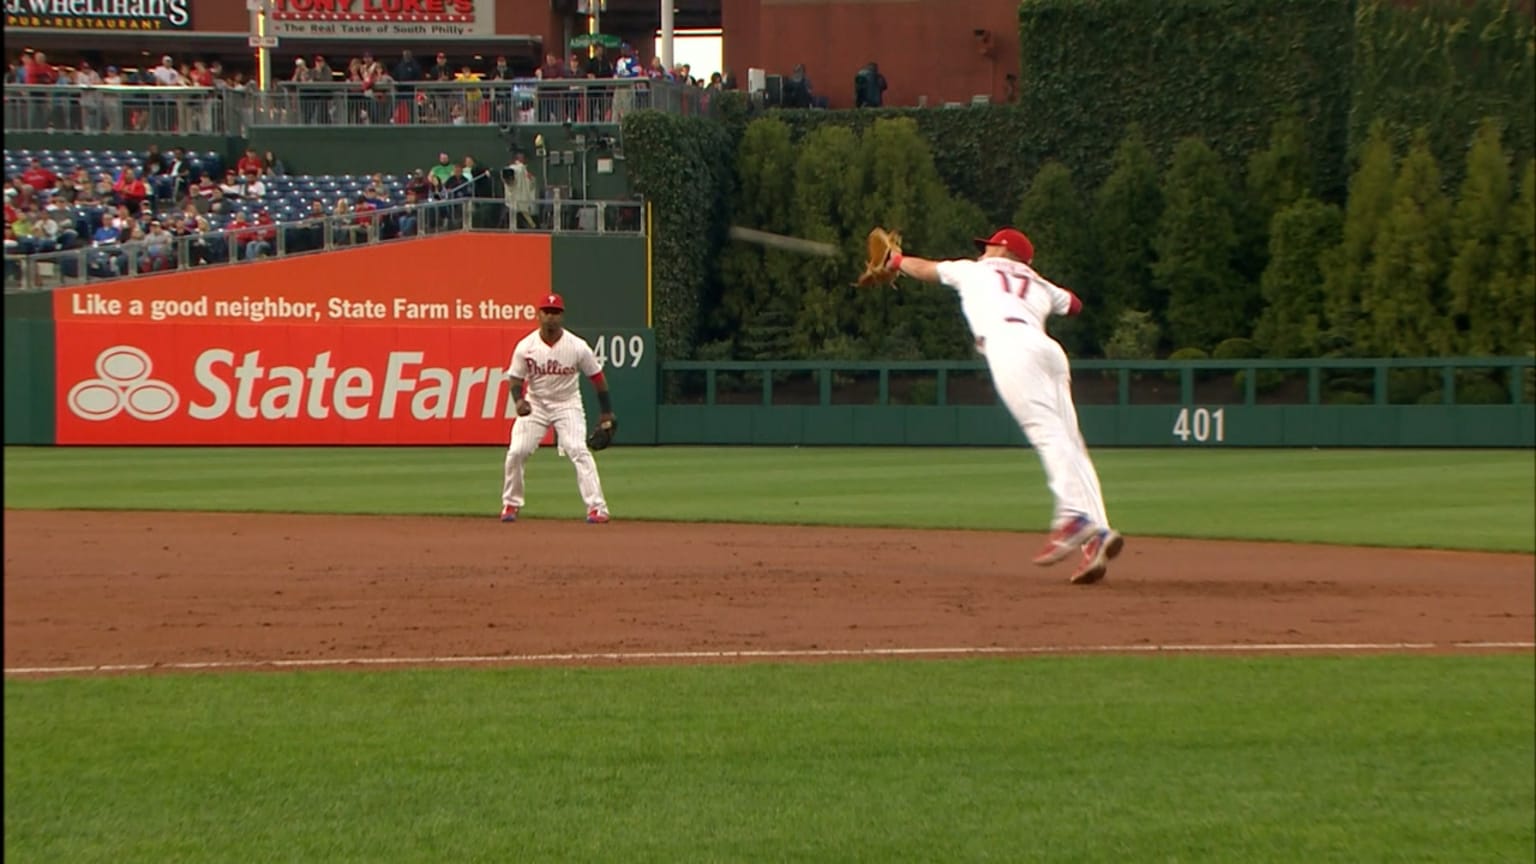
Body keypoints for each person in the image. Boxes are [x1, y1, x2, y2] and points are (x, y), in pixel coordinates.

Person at [873, 227, 1124, 583]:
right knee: (1071, 443)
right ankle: (1098, 532)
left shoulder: (973, 271)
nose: (983, 251)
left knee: (1046, 433)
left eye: (988, 246)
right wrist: (1036, 282)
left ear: (1003, 249)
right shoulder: (1038, 282)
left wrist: (896, 261)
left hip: (1010, 345)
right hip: (1048, 350)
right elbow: (1074, 305)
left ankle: (1073, 516)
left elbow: (927, 269)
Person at [500, 293, 614, 524]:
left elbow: (597, 378)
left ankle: (597, 508)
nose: (550, 317)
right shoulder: (526, 346)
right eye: (546, 312)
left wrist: (606, 412)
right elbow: (515, 378)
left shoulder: (577, 346)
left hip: (567, 404)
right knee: (517, 451)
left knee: (578, 450)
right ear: (539, 315)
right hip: (537, 404)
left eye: (555, 313)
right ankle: (511, 504)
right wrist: (518, 401)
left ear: (561, 316)